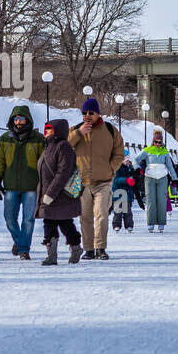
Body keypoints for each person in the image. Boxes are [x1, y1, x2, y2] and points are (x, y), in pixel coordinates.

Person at [69, 97, 125, 257]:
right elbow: (65, 147)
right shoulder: (75, 130)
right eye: (84, 113)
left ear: (98, 114)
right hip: (81, 181)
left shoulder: (110, 130)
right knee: (84, 217)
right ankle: (88, 249)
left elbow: (119, 153)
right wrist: (79, 133)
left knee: (101, 214)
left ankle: (100, 248)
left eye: (90, 113)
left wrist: (110, 169)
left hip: (104, 181)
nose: (87, 115)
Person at [0, 104, 45, 259]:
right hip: (11, 186)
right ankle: (20, 241)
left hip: (31, 186)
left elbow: (43, 164)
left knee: (28, 220)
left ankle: (23, 250)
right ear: (12, 120)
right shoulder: (4, 139)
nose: (19, 122)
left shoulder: (38, 139)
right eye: (16, 118)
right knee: (9, 219)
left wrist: (44, 185)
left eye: (22, 118)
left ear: (27, 119)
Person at [36, 118, 84, 266]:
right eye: (45, 129)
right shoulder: (48, 146)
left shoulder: (63, 146)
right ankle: (67, 250)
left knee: (61, 222)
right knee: (56, 222)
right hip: (50, 193)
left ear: (57, 131)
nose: (46, 132)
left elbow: (63, 173)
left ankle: (69, 250)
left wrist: (50, 194)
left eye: (49, 129)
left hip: (59, 194)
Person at [136, 128, 178, 232]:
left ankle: (161, 223)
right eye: (156, 142)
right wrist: (137, 169)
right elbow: (136, 159)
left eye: (160, 142)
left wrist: (175, 178)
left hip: (162, 178)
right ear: (153, 141)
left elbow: (170, 166)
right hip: (149, 178)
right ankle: (151, 223)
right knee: (150, 200)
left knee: (161, 201)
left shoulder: (165, 152)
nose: (158, 144)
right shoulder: (147, 151)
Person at [111, 158, 139, 231]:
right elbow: (116, 180)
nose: (128, 162)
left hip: (127, 192)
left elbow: (133, 175)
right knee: (118, 210)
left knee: (128, 211)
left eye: (128, 160)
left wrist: (137, 173)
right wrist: (126, 180)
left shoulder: (129, 167)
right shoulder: (117, 167)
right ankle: (116, 225)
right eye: (126, 160)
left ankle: (129, 225)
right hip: (118, 192)